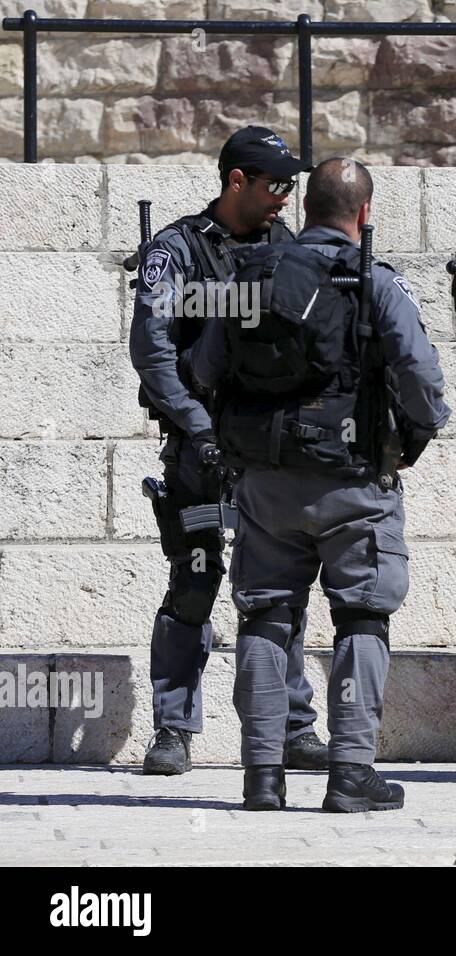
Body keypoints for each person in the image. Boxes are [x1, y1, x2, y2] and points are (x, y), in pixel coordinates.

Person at [192, 157, 451, 811]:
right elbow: (421, 377)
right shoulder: (374, 281)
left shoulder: (248, 276)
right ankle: (348, 776)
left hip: (266, 483)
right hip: (354, 484)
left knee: (264, 616)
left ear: (304, 208)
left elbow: (202, 368)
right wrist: (414, 440)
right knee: (362, 616)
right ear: (364, 214)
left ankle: (262, 777)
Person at [128, 126, 327, 776]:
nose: (285, 198)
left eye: (292, 187)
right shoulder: (176, 250)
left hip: (271, 451)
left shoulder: (285, 246)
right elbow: (152, 353)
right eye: (275, 185)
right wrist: (199, 428)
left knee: (278, 590)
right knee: (194, 577)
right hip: (201, 450)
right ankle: (172, 731)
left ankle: (293, 726)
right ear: (236, 181)